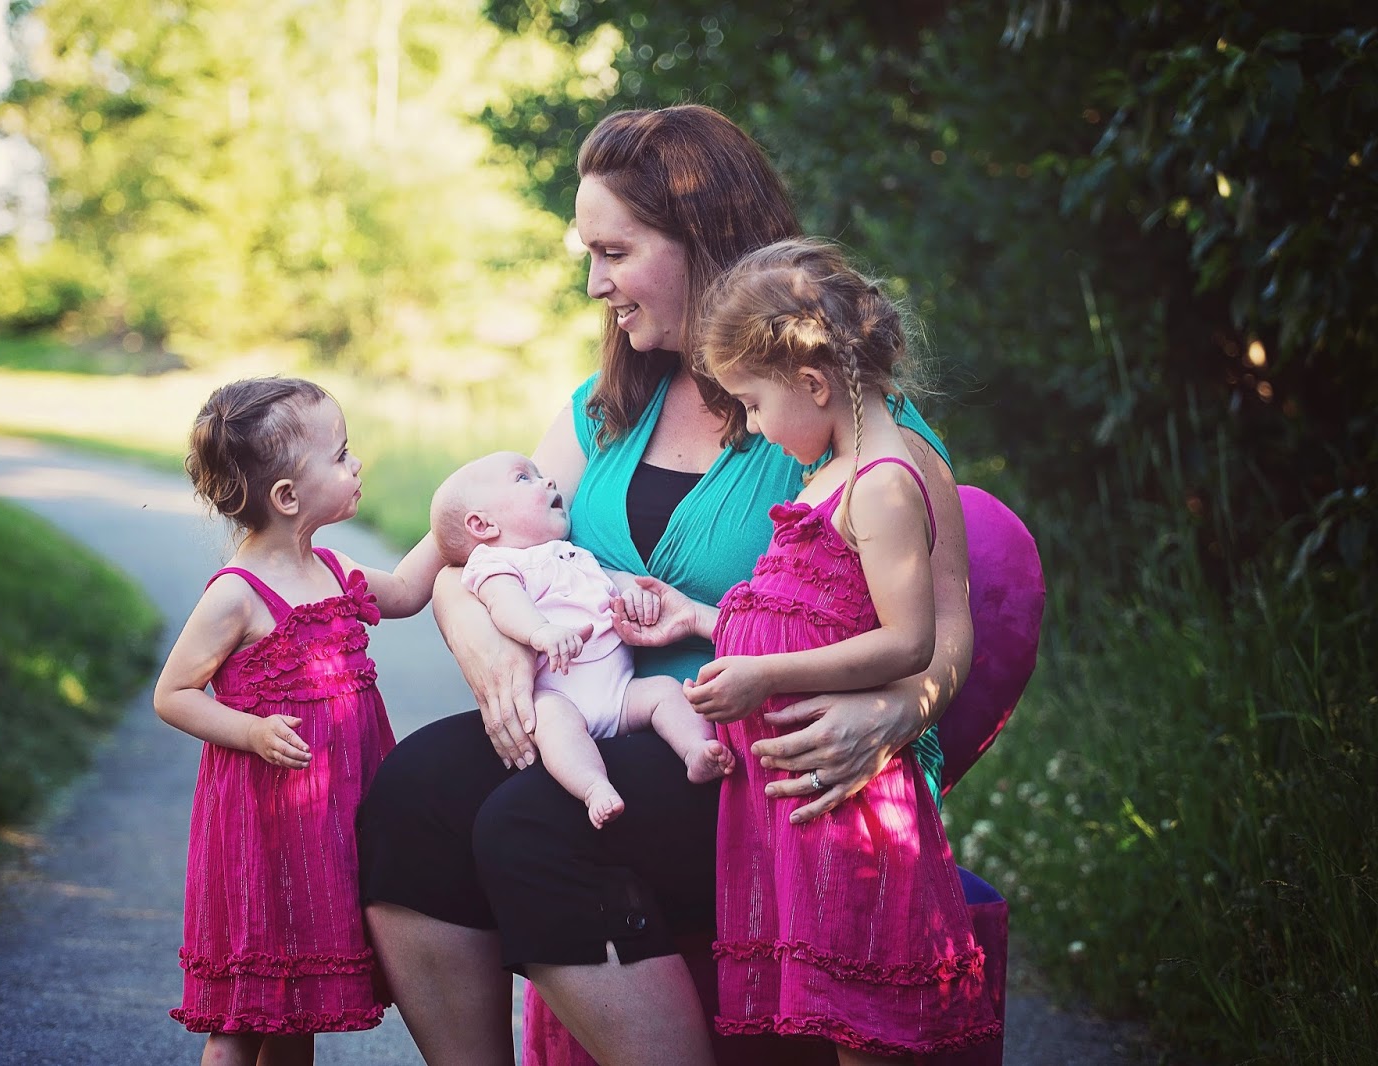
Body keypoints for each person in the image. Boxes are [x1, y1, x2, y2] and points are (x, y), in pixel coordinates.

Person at [358, 104, 973, 1066]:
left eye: (614, 250)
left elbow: (946, 636)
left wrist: (895, 708)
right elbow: (471, 545)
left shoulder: (836, 426)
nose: (594, 282)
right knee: (414, 795)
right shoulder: (608, 406)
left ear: (701, 240)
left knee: (535, 827)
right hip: (612, 714)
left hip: (756, 753)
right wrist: (477, 636)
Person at [619, 237, 999, 1059]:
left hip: (846, 806)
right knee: (823, 1022)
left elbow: (907, 640)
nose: (750, 425)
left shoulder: (883, 483)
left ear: (815, 383)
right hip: (789, 808)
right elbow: (813, 613)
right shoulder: (824, 473)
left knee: (866, 1022)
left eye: (753, 404)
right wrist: (698, 618)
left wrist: (764, 677)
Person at [154, 377, 443, 1066]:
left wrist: (454, 525)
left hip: (331, 817)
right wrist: (250, 732)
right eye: (342, 456)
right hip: (265, 822)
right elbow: (174, 694)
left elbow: (404, 593)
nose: (357, 465)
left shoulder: (335, 570)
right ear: (287, 497)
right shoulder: (237, 594)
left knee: (298, 1006)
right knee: (246, 1010)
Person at [431, 450, 733, 829]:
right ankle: (594, 787)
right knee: (555, 727)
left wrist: (635, 596)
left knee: (665, 692)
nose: (549, 481)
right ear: (482, 524)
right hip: (559, 694)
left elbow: (610, 583)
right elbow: (505, 604)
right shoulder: (496, 565)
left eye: (540, 474)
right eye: (524, 478)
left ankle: (696, 752)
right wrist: (540, 632)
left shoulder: (572, 553)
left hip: (620, 693)